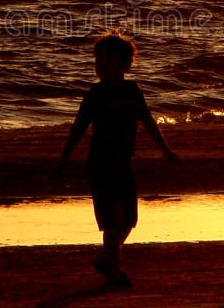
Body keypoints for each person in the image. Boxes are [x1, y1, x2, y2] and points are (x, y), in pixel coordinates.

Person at [55, 31, 178, 288]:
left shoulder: (133, 91)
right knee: (112, 219)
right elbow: (78, 128)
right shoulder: (94, 95)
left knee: (129, 220)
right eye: (98, 63)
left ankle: (106, 259)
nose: (101, 68)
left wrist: (165, 150)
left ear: (124, 65)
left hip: (124, 162)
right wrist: (63, 160)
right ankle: (113, 270)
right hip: (100, 163)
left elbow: (148, 122)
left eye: (108, 63)